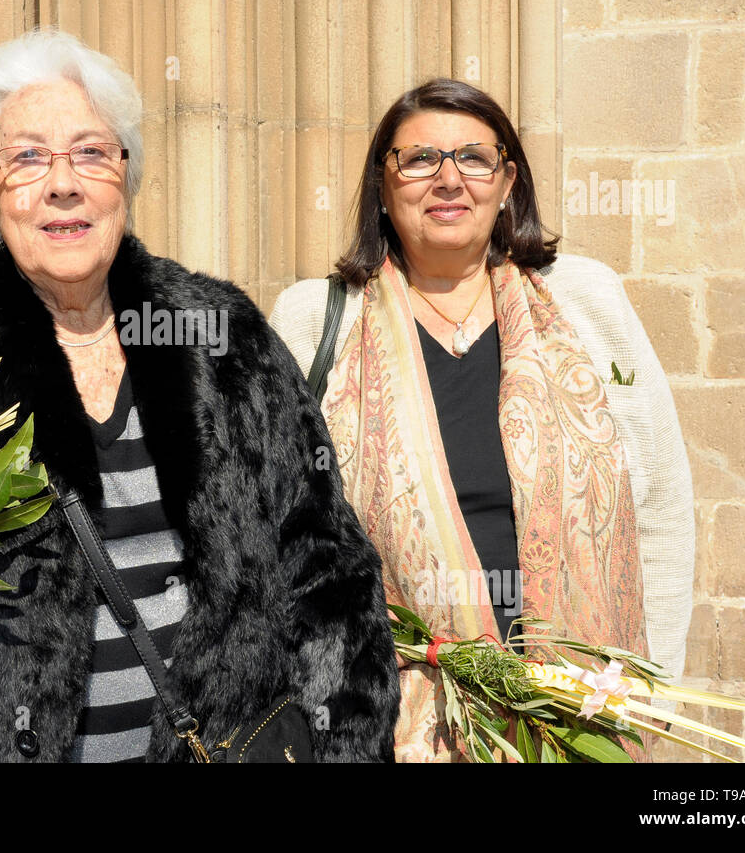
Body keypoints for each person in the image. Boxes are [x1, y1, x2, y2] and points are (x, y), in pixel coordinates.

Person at [0, 28, 398, 763]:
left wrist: (348, 749)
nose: (62, 183)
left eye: (90, 152)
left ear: (126, 175)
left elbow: (329, 568)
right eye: (26, 158)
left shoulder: (222, 335)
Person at [269, 78, 695, 761]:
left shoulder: (587, 303)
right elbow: (273, 529)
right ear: (383, 184)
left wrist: (652, 693)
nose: (447, 179)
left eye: (473, 158)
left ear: (506, 182)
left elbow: (661, 506)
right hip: (386, 727)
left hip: (577, 718)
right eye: (418, 159)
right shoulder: (313, 318)